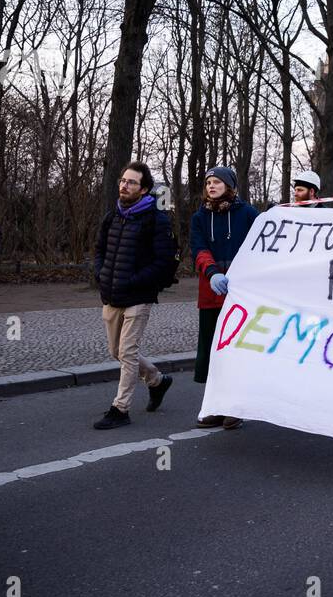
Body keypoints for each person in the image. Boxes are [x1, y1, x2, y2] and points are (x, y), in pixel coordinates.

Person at [92, 161, 179, 430]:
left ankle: (120, 409)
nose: (124, 185)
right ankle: (156, 380)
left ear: (143, 190)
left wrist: (135, 281)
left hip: (138, 297)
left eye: (131, 182)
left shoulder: (157, 219)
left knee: (128, 352)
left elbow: (165, 263)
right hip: (111, 294)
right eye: (122, 180)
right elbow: (99, 251)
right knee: (116, 351)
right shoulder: (112, 216)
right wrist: (101, 274)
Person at [189, 166, 259, 430]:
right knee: (212, 354)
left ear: (229, 185)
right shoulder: (199, 217)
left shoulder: (249, 214)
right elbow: (198, 248)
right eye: (208, 182)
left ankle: (236, 407)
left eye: (217, 181)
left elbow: (260, 247)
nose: (211, 186)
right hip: (211, 293)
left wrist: (243, 275)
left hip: (241, 295)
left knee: (236, 351)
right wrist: (212, 272)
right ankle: (215, 407)